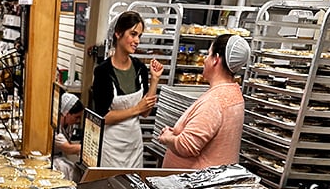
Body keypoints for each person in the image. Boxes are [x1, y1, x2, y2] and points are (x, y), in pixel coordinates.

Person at [159, 33, 251, 170]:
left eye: (208, 54)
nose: (205, 60)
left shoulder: (215, 100)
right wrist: (178, 132)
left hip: (195, 180)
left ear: (216, 59)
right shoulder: (234, 92)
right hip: (218, 177)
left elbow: (187, 146)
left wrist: (167, 137)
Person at [91, 11, 164, 170]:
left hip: (133, 145)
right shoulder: (103, 71)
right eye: (133, 34)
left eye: (139, 36)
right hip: (110, 147)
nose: (137, 41)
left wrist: (154, 80)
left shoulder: (139, 68)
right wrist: (136, 109)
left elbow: (146, 112)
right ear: (118, 33)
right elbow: (103, 117)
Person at [52, 92, 84, 180]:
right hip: (51, 159)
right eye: (76, 117)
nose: (78, 121)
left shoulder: (69, 125)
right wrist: (85, 149)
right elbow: (68, 148)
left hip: (60, 156)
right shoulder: (55, 126)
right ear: (67, 113)